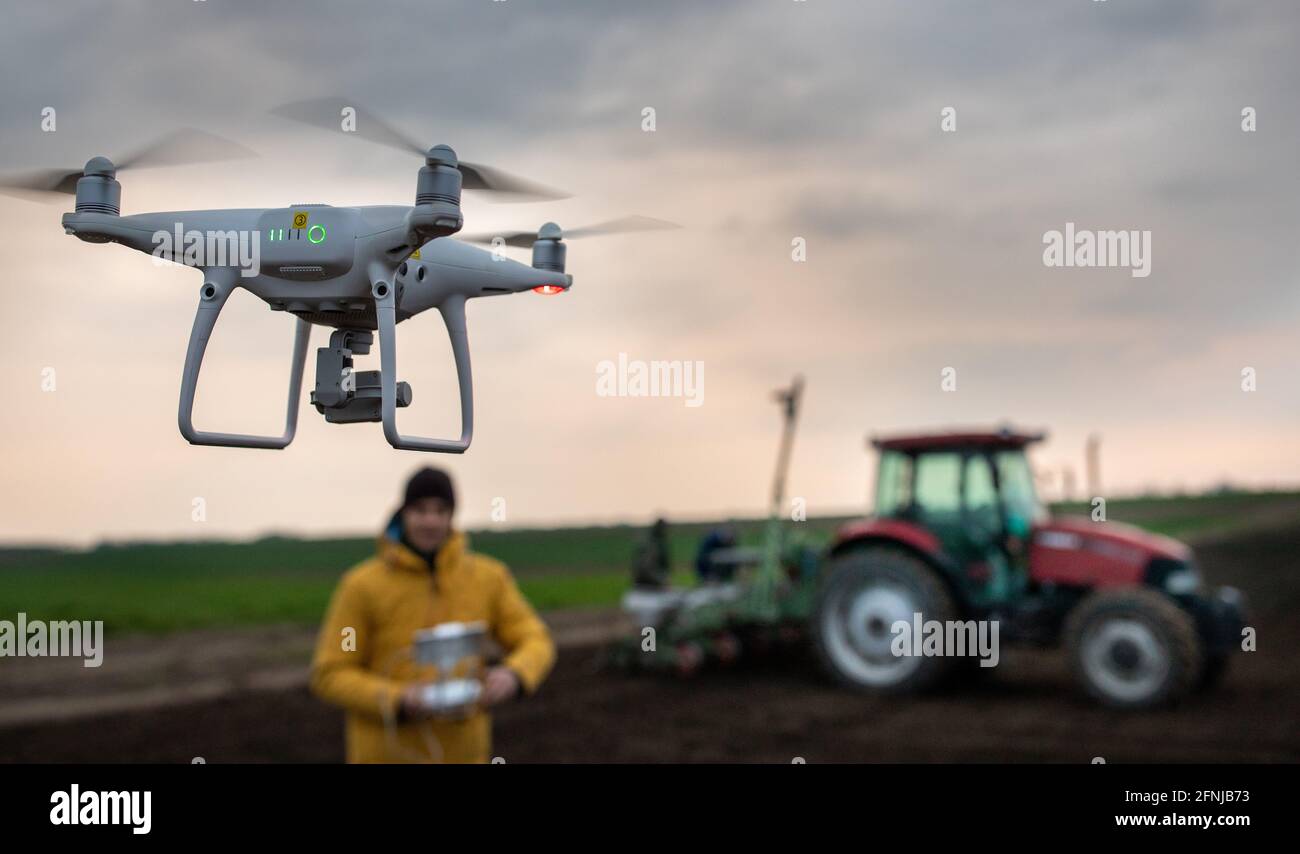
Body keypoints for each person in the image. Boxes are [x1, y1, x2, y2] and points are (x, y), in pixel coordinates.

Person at [310, 467, 555, 763]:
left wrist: (515, 673)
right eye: (420, 510)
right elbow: (333, 671)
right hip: (388, 754)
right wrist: (399, 699)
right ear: (404, 513)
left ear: (452, 516)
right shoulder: (362, 586)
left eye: (441, 510)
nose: (431, 520)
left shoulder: (488, 578)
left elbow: (534, 638)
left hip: (464, 754)